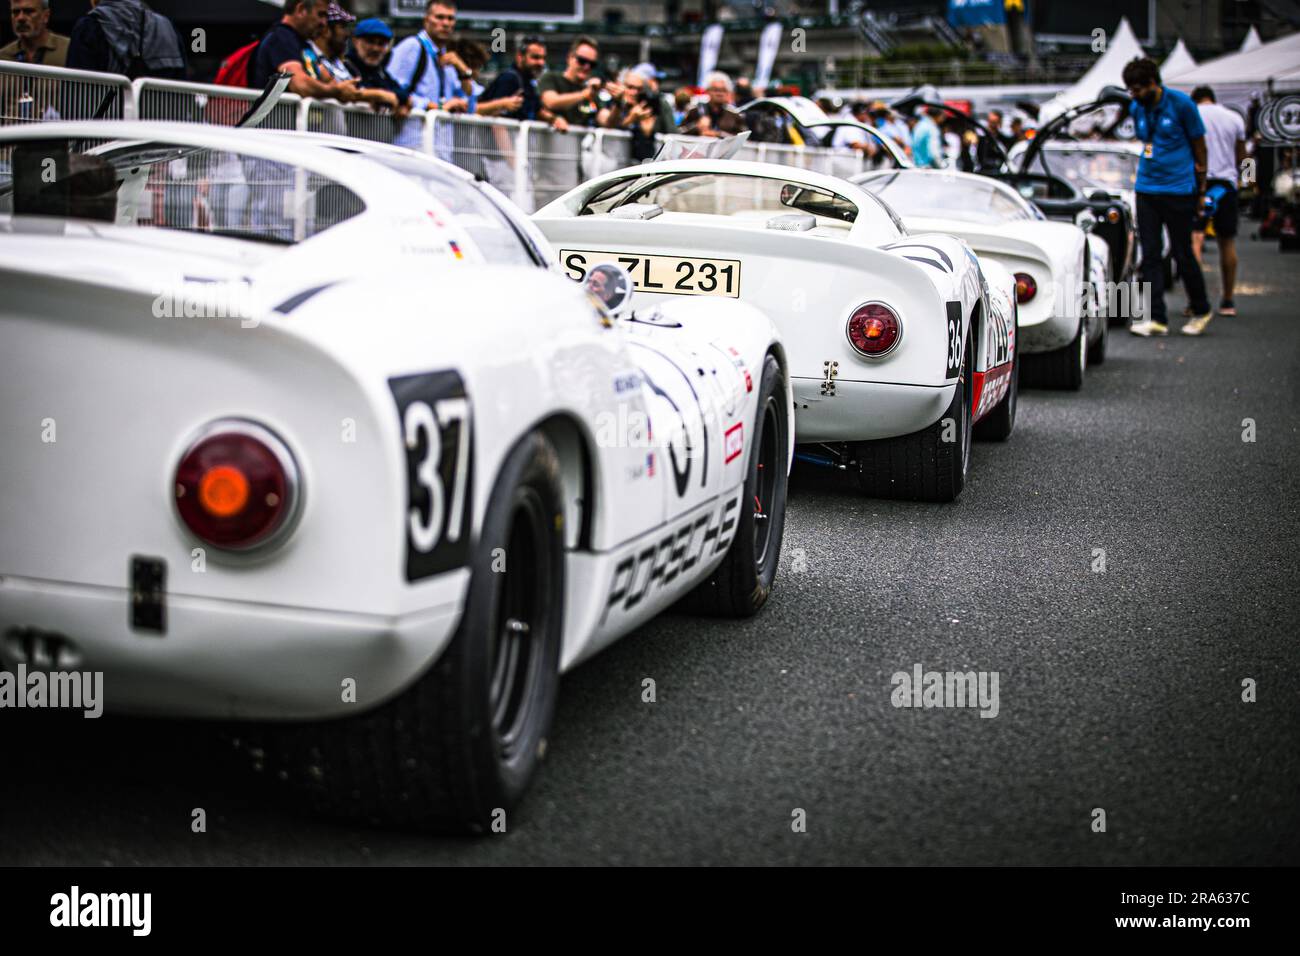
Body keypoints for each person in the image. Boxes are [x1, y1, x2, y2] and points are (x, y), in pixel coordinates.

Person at [1122, 57, 1212, 337]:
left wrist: (1201, 190)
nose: (1133, 96)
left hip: (1179, 189)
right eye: (1130, 90)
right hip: (1147, 189)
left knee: (1182, 252)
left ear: (1153, 84)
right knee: (1150, 255)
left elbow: (1200, 148)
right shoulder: (1137, 107)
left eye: (1137, 89)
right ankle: (1157, 318)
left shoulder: (1182, 105)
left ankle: (1201, 308)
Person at [1191, 86, 1248, 317]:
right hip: (1226, 185)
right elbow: (1243, 155)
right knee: (1227, 242)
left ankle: (1195, 300)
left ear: (1196, 100)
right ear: (1213, 99)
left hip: (1197, 184)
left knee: (1194, 240)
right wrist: (1248, 181)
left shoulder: (1192, 115)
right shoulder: (1233, 118)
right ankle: (1227, 300)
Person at [386, 1, 469, 148]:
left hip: (441, 148)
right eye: (440, 17)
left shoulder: (448, 60)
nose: (445, 23)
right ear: (426, 20)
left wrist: (464, 71)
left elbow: (469, 100)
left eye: (450, 18)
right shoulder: (412, 47)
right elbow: (391, 90)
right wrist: (435, 107)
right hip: (411, 145)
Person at [249, 0, 359, 101]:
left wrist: (362, 95)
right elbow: (301, 85)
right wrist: (337, 91)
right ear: (301, 10)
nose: (324, 23)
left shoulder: (304, 43)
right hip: (275, 121)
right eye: (321, 14)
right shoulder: (281, 38)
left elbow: (330, 80)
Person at [65, 0, 186, 79]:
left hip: (107, 117)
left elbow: (77, 94)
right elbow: (182, 89)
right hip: (161, 118)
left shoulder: (89, 26)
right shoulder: (167, 27)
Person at [604, 67, 675, 161]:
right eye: (630, 87)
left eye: (639, 89)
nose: (634, 92)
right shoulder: (613, 104)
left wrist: (647, 132)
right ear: (620, 85)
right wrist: (630, 119)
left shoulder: (648, 107)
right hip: (613, 167)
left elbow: (671, 132)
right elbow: (608, 127)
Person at [537, 35, 605, 130]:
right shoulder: (551, 78)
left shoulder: (591, 92)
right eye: (582, 61)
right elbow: (551, 102)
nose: (587, 67)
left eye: (592, 64)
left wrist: (618, 103)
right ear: (569, 58)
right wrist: (584, 94)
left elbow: (605, 120)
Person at [480, 34, 550, 123]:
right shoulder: (510, 78)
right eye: (535, 57)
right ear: (520, 57)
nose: (541, 62)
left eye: (543, 58)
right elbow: (495, 119)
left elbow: (539, 111)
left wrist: (555, 119)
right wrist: (502, 104)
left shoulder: (529, 83)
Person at [345, 18, 407, 115]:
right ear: (355, 41)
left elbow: (404, 95)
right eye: (370, 42)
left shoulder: (380, 71)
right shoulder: (346, 65)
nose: (375, 48)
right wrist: (380, 95)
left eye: (381, 44)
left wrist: (401, 103)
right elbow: (349, 92)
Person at [679, 71, 747, 138]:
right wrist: (696, 127)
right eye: (715, 90)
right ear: (707, 91)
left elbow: (743, 138)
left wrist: (719, 134)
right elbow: (679, 133)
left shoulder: (734, 114)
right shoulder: (695, 111)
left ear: (728, 93)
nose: (719, 94)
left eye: (723, 90)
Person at [1, 0, 69, 67]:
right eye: (15, 12)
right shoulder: (3, 57)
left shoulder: (69, 50)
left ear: (46, 16)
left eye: (29, 11)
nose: (20, 18)